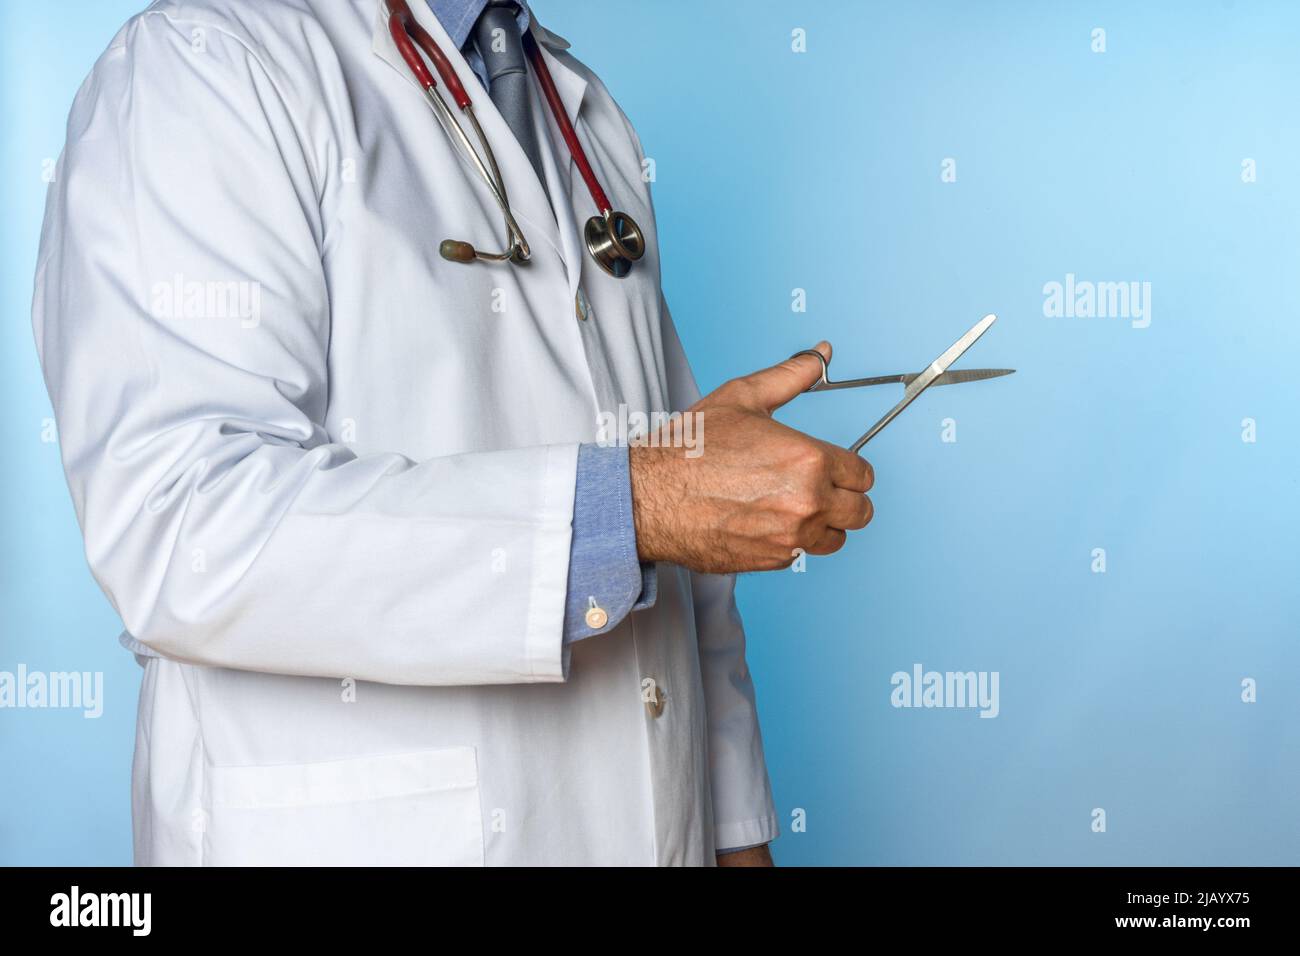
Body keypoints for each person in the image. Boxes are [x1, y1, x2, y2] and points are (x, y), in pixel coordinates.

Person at [32, 0, 873, 866]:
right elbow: (184, 525)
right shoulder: (203, 64)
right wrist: (632, 505)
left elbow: (686, 545)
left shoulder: (583, 114)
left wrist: (733, 836)